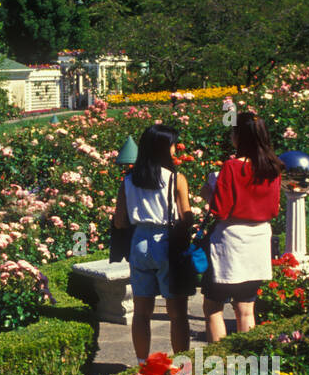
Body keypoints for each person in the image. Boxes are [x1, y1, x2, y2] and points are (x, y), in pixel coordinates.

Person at [201, 112, 283, 342]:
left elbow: (220, 209)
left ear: (239, 136)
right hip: (258, 239)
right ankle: (247, 358)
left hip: (230, 240)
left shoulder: (232, 167)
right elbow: (274, 209)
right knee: (246, 309)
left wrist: (208, 193)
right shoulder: (273, 167)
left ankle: (220, 365)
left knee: (213, 307)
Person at [113, 125, 192, 358]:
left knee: (141, 312)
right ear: (164, 148)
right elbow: (186, 217)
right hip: (166, 242)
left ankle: (142, 365)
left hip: (139, 242)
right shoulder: (175, 179)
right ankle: (181, 366)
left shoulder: (128, 180)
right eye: (172, 144)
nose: (175, 148)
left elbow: (119, 221)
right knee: (177, 313)